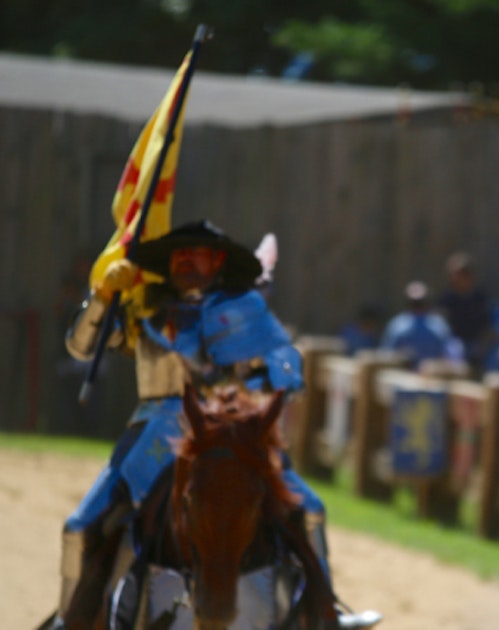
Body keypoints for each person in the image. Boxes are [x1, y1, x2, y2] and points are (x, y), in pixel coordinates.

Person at [54, 220, 332, 626]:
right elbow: (81, 348)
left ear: (217, 261)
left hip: (229, 426)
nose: (185, 260)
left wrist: (271, 382)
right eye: (178, 254)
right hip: (152, 431)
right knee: (81, 525)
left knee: (310, 510)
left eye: (196, 253)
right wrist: (102, 297)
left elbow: (282, 355)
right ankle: (70, 620)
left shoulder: (244, 310)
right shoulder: (143, 307)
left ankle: (325, 615)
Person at [381, 280, 461, 369]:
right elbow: (454, 356)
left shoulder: (397, 325)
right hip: (430, 375)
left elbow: (386, 356)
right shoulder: (439, 325)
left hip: (408, 376)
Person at [437, 251, 492, 373]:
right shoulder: (446, 300)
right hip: (453, 346)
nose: (454, 279)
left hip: (475, 345)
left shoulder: (479, 298)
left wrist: (481, 347)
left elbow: (486, 327)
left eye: (458, 275)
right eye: (452, 275)